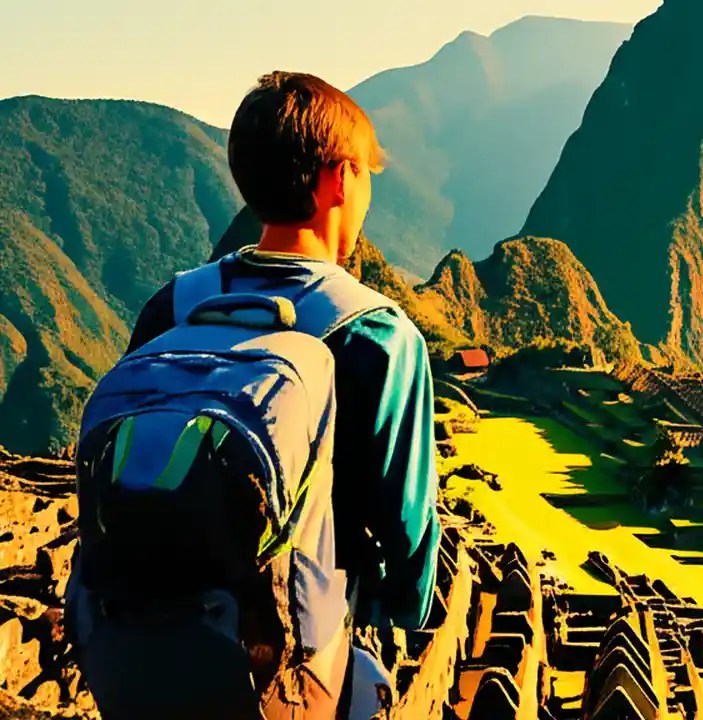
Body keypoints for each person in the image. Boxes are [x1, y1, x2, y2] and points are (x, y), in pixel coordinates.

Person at [66, 71, 439, 719]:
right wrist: (397, 606)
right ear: (340, 179)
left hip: (129, 651)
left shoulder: (172, 306)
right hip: (283, 671)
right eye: (367, 180)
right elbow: (409, 545)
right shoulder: (376, 333)